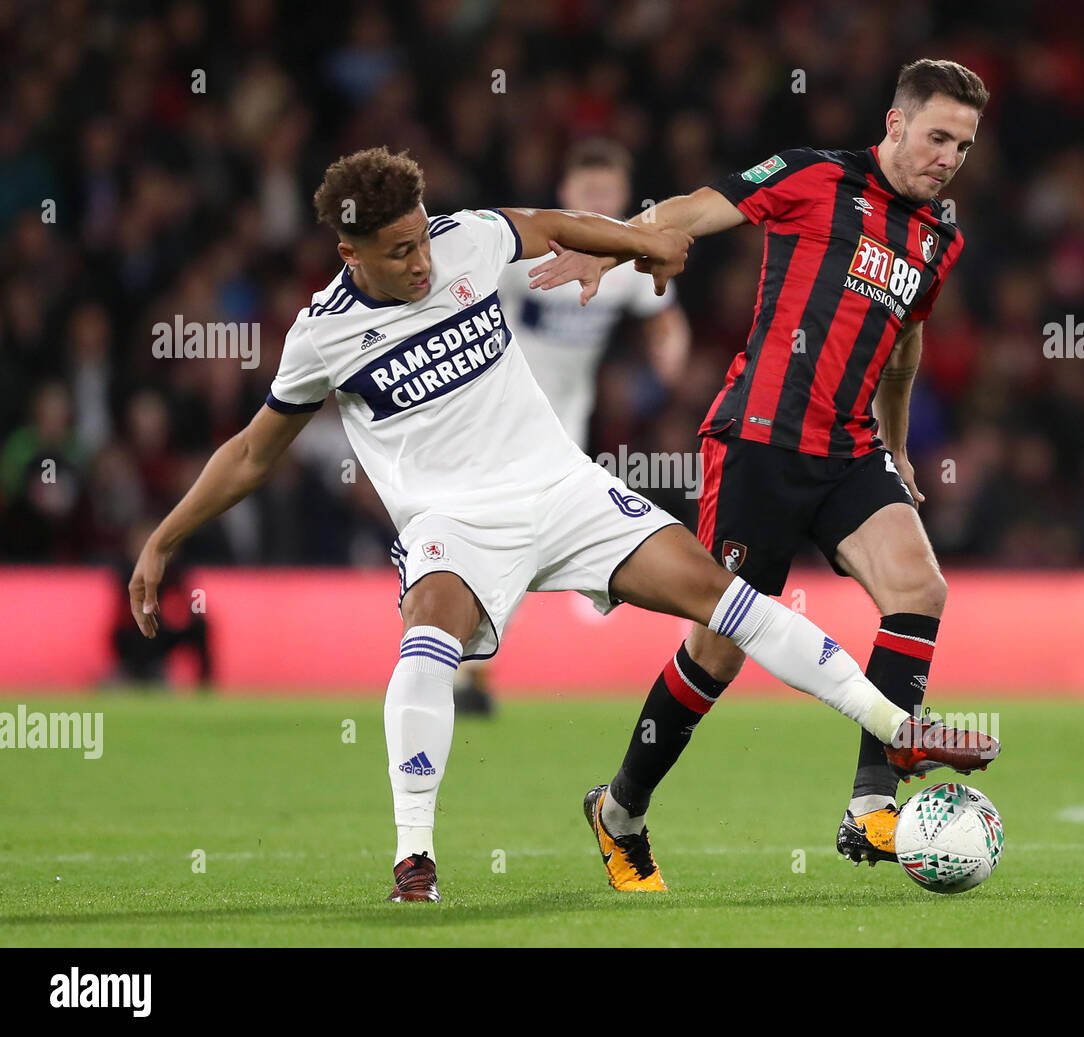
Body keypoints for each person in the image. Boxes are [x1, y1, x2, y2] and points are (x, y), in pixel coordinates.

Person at [128, 146, 996, 905]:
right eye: (399, 253)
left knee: (727, 604)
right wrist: (165, 539)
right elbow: (251, 452)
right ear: (350, 252)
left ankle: (895, 730)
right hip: (454, 522)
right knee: (426, 631)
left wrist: (644, 241)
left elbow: (549, 223)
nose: (424, 262)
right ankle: (414, 856)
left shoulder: (465, 237)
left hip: (563, 489)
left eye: (425, 238)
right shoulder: (323, 337)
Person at [529, 59, 991, 888]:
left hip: (850, 448)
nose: (949, 157)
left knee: (920, 588)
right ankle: (620, 809)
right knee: (717, 651)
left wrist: (898, 442)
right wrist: (617, 247)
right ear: (893, 123)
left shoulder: (937, 240)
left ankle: (871, 808)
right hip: (759, 442)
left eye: (962, 144)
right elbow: (697, 209)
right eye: (937, 137)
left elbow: (905, 339)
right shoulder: (814, 177)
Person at [453, 138, 691, 715]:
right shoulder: (524, 253)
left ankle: (472, 666)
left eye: (609, 194)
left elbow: (666, 320)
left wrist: (670, 355)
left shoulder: (628, 265)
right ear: (565, 196)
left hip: (565, 423)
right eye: (588, 194)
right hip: (499, 418)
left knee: (520, 539)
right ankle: (598, 581)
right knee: (501, 535)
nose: (600, 204)